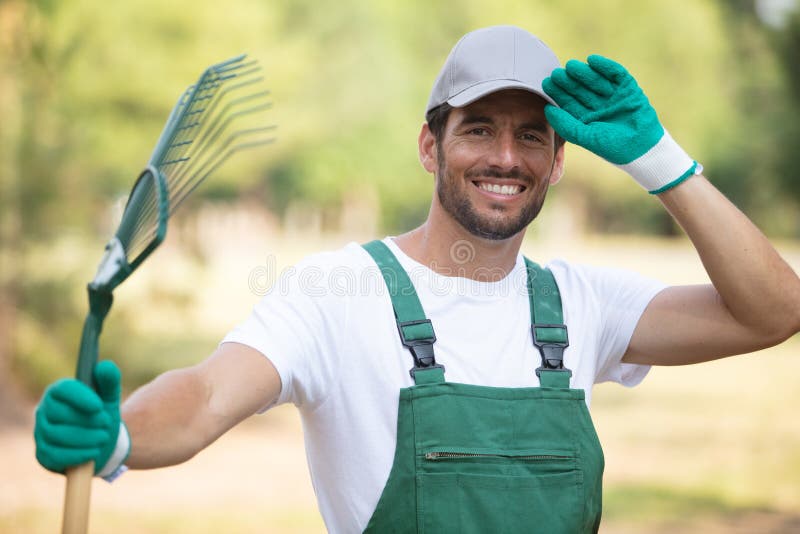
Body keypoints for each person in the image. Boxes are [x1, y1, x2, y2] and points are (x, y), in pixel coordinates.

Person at [35, 25, 800, 533]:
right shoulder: (336, 293)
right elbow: (207, 394)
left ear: (559, 161)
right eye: (478, 129)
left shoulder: (581, 303)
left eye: (531, 136)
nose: (506, 156)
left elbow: (772, 311)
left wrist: (659, 161)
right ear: (430, 148)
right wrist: (123, 433)